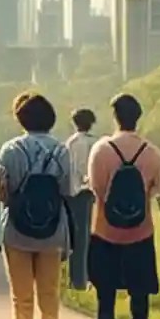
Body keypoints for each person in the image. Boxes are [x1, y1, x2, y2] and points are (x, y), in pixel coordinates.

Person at [86, 94, 160, 319]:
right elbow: (157, 190)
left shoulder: (101, 149)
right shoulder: (152, 152)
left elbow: (96, 190)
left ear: (115, 117)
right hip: (140, 234)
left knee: (105, 298)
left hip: (105, 233)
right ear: (138, 116)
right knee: (140, 300)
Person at [0, 92, 73, 319]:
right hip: (52, 231)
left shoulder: (10, 150)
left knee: (22, 300)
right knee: (49, 298)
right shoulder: (61, 151)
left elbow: (2, 194)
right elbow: (67, 190)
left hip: (16, 232)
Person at [64, 107, 97, 291]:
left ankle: (75, 279)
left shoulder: (69, 144)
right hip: (90, 192)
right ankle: (87, 277)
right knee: (89, 236)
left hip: (72, 193)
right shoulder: (96, 143)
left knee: (75, 237)